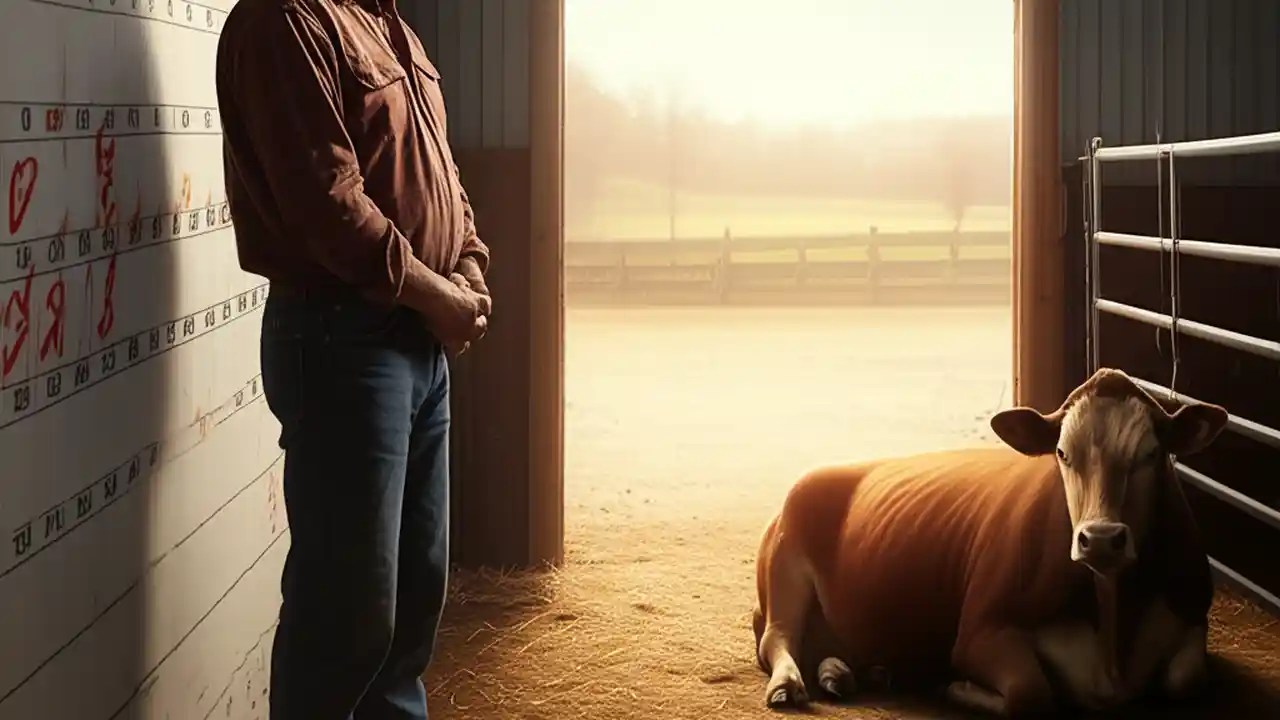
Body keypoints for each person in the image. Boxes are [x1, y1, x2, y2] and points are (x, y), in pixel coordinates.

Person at [215, 1, 491, 717]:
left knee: (409, 602)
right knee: (347, 614)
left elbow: (444, 175)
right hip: (345, 341)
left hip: (412, 345)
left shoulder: (389, 25)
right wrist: (439, 296)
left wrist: (468, 261)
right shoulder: (284, 21)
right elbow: (328, 204)